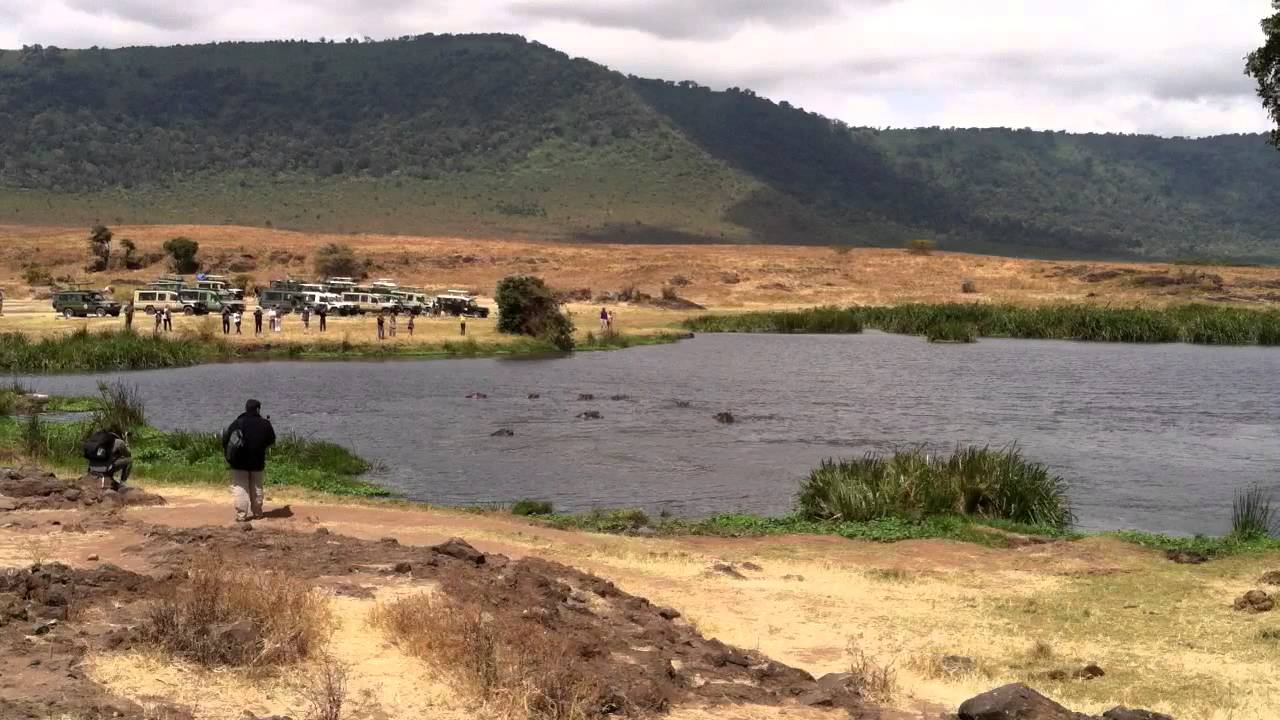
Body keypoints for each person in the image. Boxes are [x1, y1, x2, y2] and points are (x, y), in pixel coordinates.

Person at [221, 399, 277, 522]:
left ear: (246, 408)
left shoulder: (237, 422)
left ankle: (241, 515)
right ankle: (257, 513)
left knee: (240, 488)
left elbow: (226, 440)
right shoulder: (265, 424)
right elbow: (271, 441)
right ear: (258, 409)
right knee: (257, 488)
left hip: (238, 462)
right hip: (257, 461)